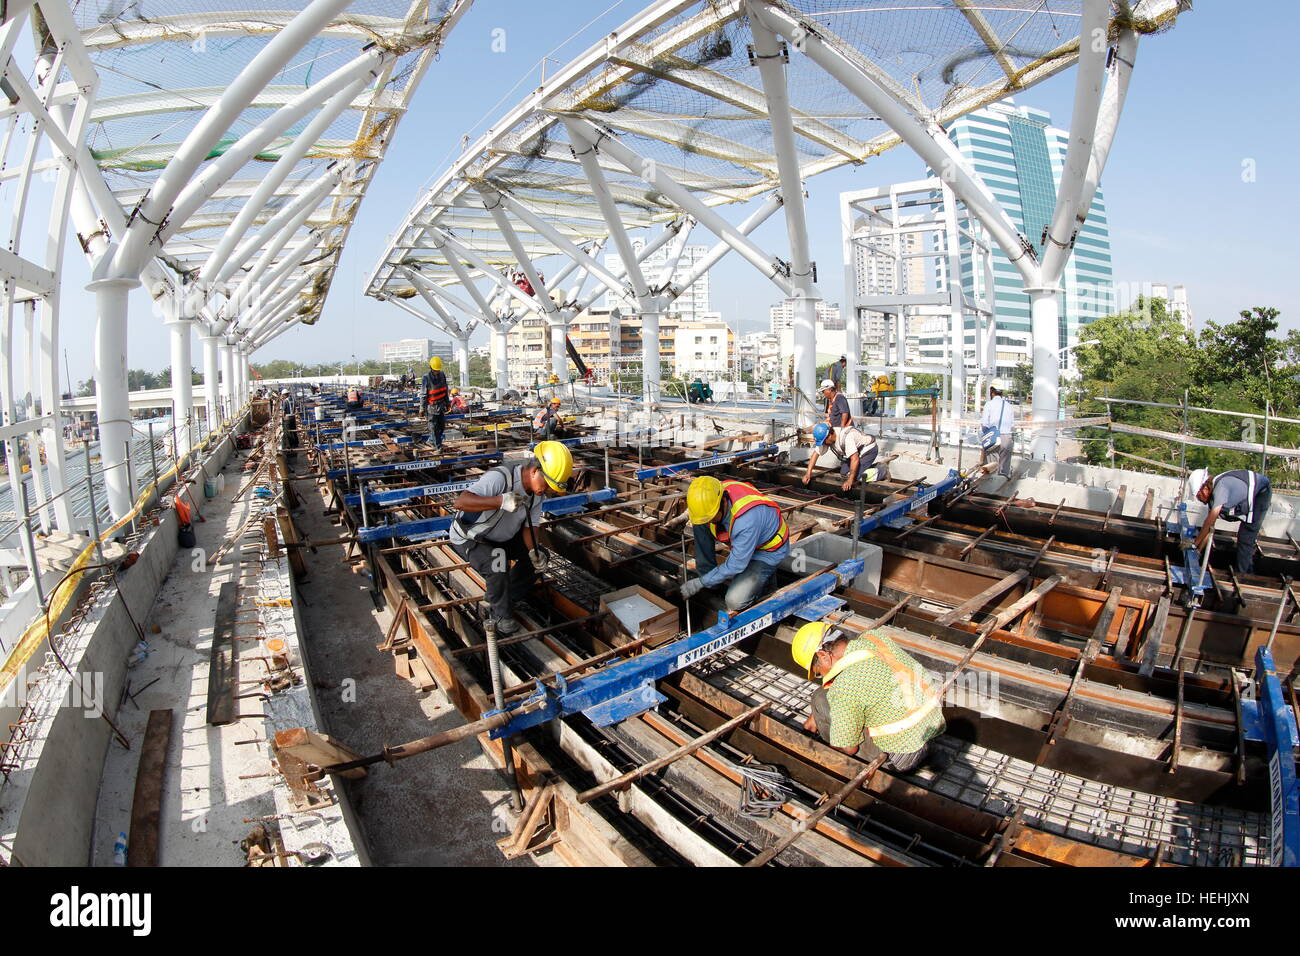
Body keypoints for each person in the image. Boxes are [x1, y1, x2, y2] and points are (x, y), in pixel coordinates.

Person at [448, 442, 574, 635]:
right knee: (497, 562)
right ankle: (499, 614)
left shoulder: (536, 495)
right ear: (534, 471)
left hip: (501, 537)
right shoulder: (500, 478)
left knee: (541, 555)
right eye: (547, 483)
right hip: (472, 536)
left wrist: (533, 552)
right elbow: (461, 502)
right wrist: (500, 501)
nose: (547, 489)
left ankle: (506, 598)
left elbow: (529, 528)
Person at [791, 620, 945, 771]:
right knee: (834, 698)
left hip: (902, 757)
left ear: (824, 656)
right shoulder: (874, 638)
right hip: (932, 728)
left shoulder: (845, 687)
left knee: (820, 698)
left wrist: (826, 748)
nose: (822, 676)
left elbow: (849, 749)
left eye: (818, 672)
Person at [680, 476, 790, 613]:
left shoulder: (746, 521)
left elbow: (735, 565)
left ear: (723, 502)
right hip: (750, 535)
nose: (709, 521)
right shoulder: (713, 493)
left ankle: (765, 587)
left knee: (735, 601)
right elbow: (701, 513)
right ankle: (710, 582)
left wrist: (699, 583)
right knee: (700, 524)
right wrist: (685, 517)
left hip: (767, 551)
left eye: (711, 517)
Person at [1188, 468, 1273, 575]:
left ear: (1205, 488)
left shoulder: (1221, 487)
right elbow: (1209, 529)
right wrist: (1198, 551)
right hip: (1250, 495)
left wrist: (1194, 544)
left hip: (1260, 494)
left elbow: (1210, 520)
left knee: (1245, 537)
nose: (1198, 499)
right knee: (1244, 537)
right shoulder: (1213, 498)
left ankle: (1244, 576)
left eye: (1198, 496)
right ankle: (1246, 568)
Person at [801, 422, 884, 491]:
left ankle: (881, 472)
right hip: (855, 453)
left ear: (829, 435)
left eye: (823, 441)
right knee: (844, 473)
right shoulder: (827, 439)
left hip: (868, 450)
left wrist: (850, 480)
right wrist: (808, 474)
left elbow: (854, 459)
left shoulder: (846, 438)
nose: (823, 444)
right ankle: (867, 467)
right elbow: (815, 454)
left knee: (856, 477)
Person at [980, 384, 1015, 479]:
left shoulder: (989, 404)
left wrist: (986, 438)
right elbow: (1012, 425)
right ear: (1002, 392)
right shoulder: (1009, 406)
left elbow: (984, 425)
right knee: (1004, 469)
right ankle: (1003, 486)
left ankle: (991, 490)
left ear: (992, 391)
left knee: (993, 467)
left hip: (994, 438)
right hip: (1007, 438)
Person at [420, 356, 450, 449]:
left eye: (438, 370)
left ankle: (432, 440)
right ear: (431, 368)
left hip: (441, 405)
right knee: (433, 427)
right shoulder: (426, 378)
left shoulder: (442, 375)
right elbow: (423, 394)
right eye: (435, 370)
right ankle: (438, 446)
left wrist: (447, 403)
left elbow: (445, 390)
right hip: (431, 407)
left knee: (441, 427)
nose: (436, 372)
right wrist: (422, 408)